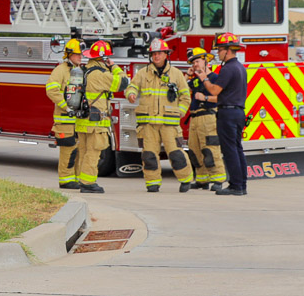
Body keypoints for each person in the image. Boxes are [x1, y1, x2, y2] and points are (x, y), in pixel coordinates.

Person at [126, 38, 193, 193]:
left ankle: (185, 180)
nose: (156, 56)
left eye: (159, 53)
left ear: (166, 54)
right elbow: (132, 86)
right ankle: (152, 183)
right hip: (148, 123)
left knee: (176, 153)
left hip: (169, 124)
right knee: (149, 155)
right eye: (154, 53)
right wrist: (131, 94)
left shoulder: (176, 74)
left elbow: (185, 97)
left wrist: (179, 113)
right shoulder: (143, 73)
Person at [194, 33, 249, 196]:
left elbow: (214, 90)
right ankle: (241, 184)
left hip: (227, 113)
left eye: (219, 50)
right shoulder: (240, 67)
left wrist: (204, 78)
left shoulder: (228, 69)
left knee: (230, 150)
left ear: (227, 50)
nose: (218, 53)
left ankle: (235, 186)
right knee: (238, 149)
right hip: (238, 112)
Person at [75, 39, 129, 194]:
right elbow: (123, 83)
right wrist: (115, 67)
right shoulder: (100, 74)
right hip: (96, 122)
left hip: (83, 121)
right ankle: (88, 183)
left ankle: (82, 179)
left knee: (84, 150)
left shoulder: (84, 70)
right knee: (94, 151)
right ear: (103, 58)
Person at [45, 38, 84, 189]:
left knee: (79, 151)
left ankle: (76, 179)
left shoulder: (81, 71)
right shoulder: (60, 71)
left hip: (78, 120)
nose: (80, 57)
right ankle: (66, 180)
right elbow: (51, 90)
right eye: (77, 54)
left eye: (81, 54)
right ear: (69, 54)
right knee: (68, 151)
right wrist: (66, 106)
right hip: (64, 120)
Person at [185, 47, 226, 190]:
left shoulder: (215, 78)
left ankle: (218, 179)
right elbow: (182, 90)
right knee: (195, 150)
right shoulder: (195, 80)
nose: (195, 65)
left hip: (208, 117)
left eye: (197, 61)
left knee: (210, 149)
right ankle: (202, 180)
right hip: (195, 118)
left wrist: (205, 97)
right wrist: (187, 76)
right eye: (193, 63)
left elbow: (222, 98)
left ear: (205, 61)